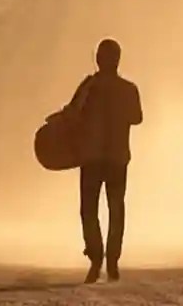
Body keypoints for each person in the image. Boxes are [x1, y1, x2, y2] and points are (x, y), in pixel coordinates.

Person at [61, 38, 143, 283]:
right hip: (117, 157)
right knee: (116, 208)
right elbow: (137, 118)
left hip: (92, 156)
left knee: (89, 209)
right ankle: (112, 262)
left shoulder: (89, 86)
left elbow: (71, 114)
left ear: (98, 58)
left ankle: (96, 259)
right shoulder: (128, 88)